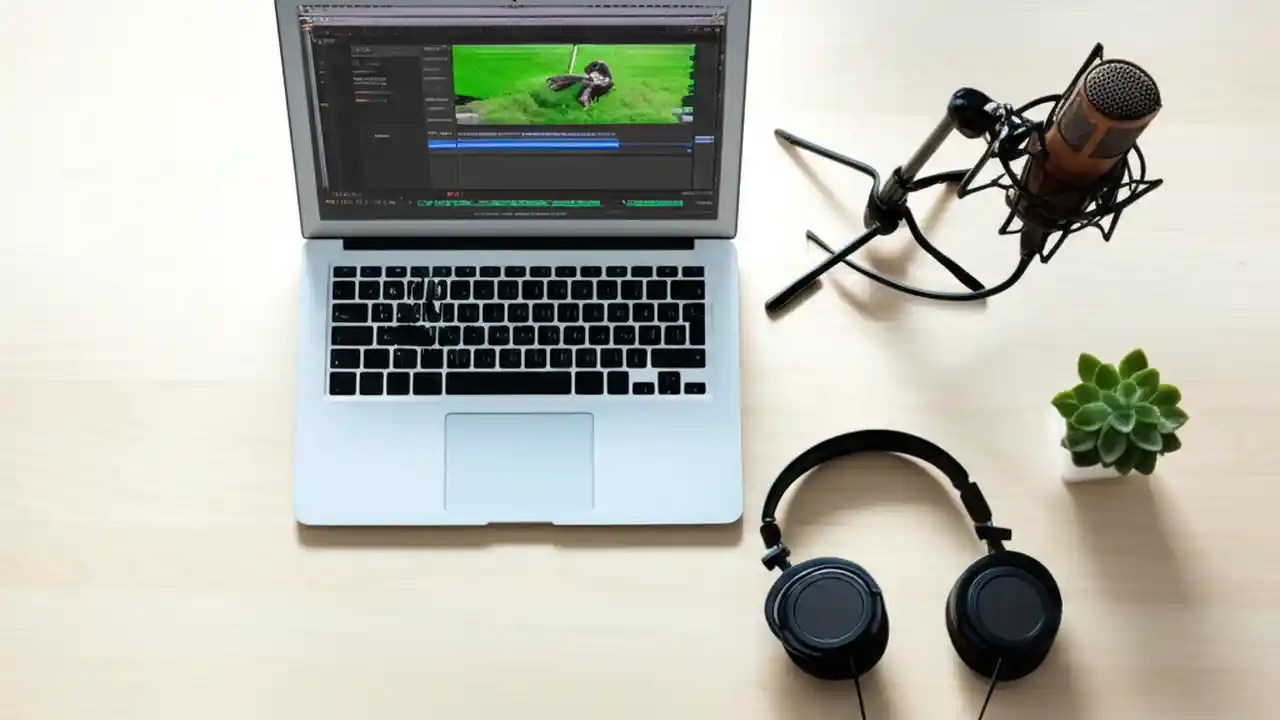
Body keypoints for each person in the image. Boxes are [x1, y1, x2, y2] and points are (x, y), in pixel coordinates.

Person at [545, 60, 614, 109]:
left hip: (597, 86)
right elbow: (587, 71)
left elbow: (588, 73)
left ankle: (584, 99)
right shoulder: (598, 73)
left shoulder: (604, 78)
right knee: (583, 79)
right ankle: (556, 82)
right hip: (596, 84)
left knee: (586, 81)